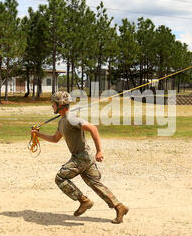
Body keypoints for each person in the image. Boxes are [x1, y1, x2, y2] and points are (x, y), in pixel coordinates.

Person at [32, 91, 129, 224]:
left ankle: (84, 201)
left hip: (81, 157)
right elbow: (55, 139)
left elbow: (93, 128)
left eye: (53, 104)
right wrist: (38, 135)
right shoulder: (62, 122)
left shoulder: (72, 119)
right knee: (96, 185)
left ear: (59, 105)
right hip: (84, 158)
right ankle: (120, 207)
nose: (52, 106)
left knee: (60, 178)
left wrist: (99, 151)